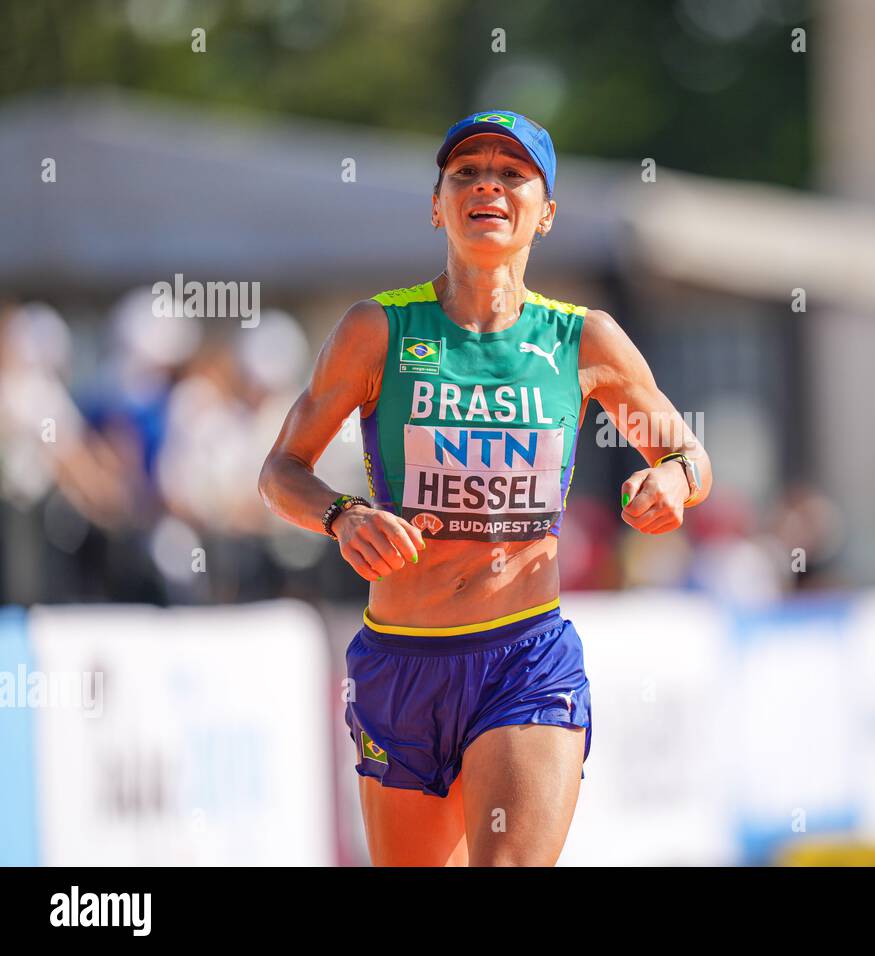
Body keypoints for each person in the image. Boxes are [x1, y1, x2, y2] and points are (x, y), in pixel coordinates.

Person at [259, 110, 710, 866]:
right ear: (438, 205)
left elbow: (689, 455)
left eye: (512, 173)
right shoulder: (378, 331)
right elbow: (281, 472)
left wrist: (673, 479)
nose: (488, 185)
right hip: (400, 662)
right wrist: (342, 516)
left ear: (547, 212)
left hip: (524, 658)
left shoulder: (584, 338)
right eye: (466, 173)